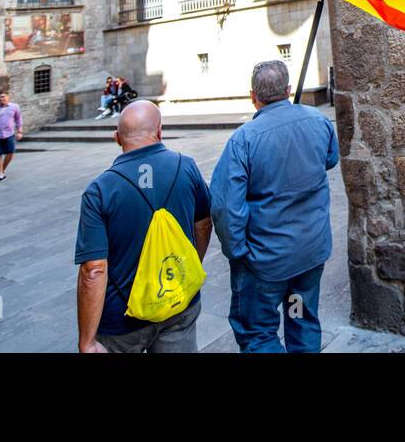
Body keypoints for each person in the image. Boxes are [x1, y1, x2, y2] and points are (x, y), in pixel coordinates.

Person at [210, 59, 339, 353]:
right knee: (301, 318)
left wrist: (238, 252)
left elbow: (225, 205)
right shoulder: (318, 120)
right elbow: (329, 160)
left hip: (265, 260)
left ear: (253, 96)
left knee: (259, 332)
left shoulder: (243, 140)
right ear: (289, 89)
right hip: (309, 250)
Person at [75, 100, 212, 353]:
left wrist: (87, 341)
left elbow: (93, 270)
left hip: (122, 319)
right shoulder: (187, 166)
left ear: (117, 138)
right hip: (177, 299)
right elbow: (204, 224)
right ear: (159, 131)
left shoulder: (99, 190)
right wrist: (186, 267)